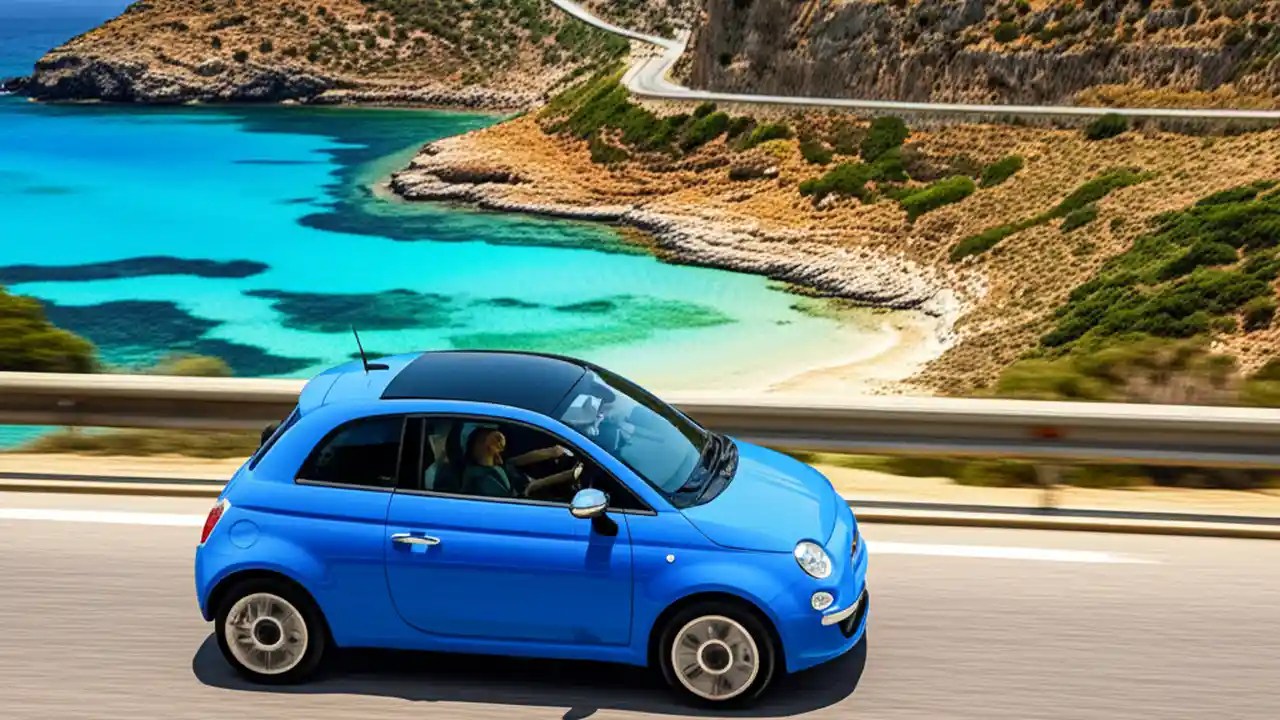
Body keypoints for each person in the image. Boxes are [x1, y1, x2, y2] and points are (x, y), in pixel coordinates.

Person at [461, 427, 580, 499]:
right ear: (484, 446)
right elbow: (523, 495)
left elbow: (518, 460)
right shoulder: (484, 481)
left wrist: (552, 452)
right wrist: (569, 474)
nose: (500, 442)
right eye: (494, 439)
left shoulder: (501, 464)